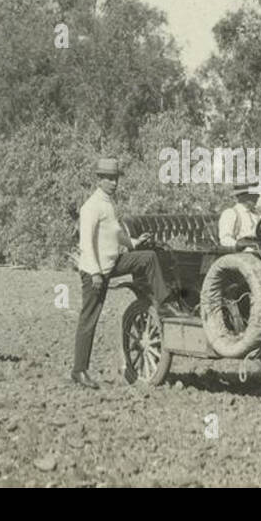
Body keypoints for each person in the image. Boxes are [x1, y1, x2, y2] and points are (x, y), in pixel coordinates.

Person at [72, 157, 174, 390]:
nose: (113, 183)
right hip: (95, 270)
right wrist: (96, 274)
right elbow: (86, 243)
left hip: (112, 262)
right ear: (99, 179)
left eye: (115, 178)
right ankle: (79, 370)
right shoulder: (91, 206)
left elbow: (116, 235)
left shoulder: (108, 204)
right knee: (89, 319)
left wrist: (134, 243)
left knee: (148, 257)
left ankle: (162, 302)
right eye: (108, 178)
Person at [218, 182, 261, 248]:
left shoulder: (256, 215)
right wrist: (241, 246)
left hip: (258, 247)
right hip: (240, 252)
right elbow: (225, 239)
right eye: (253, 195)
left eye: (256, 195)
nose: (257, 197)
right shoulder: (230, 213)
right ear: (242, 197)